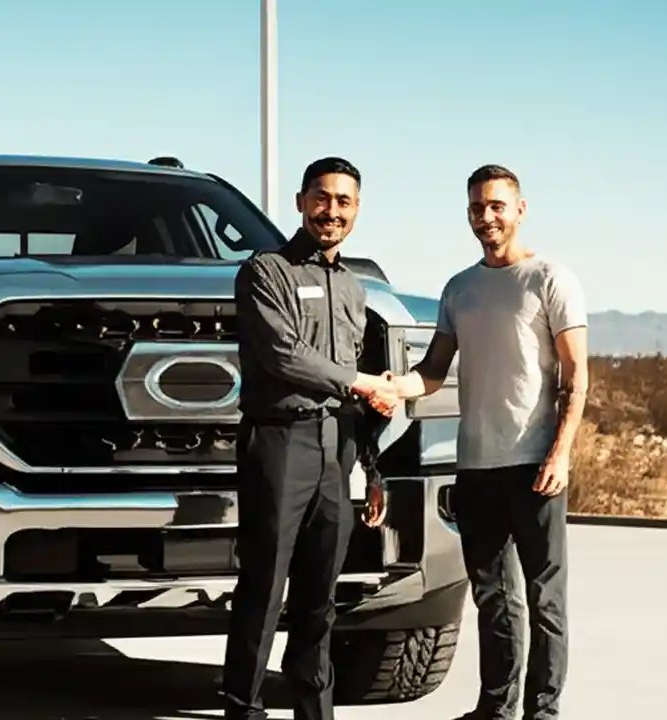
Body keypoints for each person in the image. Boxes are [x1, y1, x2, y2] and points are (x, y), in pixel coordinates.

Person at [382, 164, 588, 720]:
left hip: (535, 463)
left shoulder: (551, 279)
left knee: (545, 599)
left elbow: (577, 376)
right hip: (475, 465)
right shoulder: (459, 288)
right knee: (493, 597)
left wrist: (561, 451)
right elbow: (431, 371)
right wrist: (392, 389)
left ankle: (542, 712)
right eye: (477, 207)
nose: (486, 216)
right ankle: (495, 709)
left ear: (520, 209)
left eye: (497, 205)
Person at [220, 156, 397, 720]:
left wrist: (369, 465)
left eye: (344, 202)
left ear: (357, 210)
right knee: (264, 587)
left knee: (320, 597)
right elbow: (283, 356)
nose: (331, 212)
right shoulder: (265, 272)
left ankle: (314, 712)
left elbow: (359, 377)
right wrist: (362, 382)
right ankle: (243, 707)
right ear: (300, 202)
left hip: (335, 447)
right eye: (321, 199)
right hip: (279, 442)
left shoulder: (352, 287)